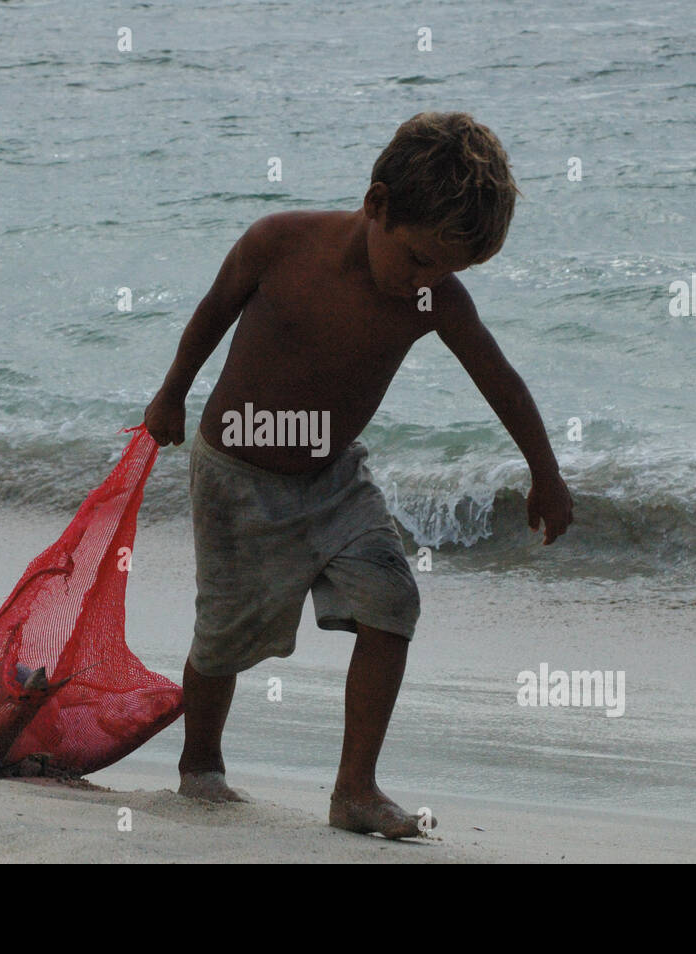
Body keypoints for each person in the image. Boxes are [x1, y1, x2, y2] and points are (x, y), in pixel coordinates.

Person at [143, 111, 573, 838]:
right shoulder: (278, 244)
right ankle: (201, 764)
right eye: (415, 259)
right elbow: (212, 313)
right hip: (236, 474)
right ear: (377, 206)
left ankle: (355, 789)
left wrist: (546, 473)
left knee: (392, 599)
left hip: (334, 479)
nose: (424, 283)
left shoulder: (434, 298)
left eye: (445, 271)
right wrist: (170, 394)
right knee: (224, 634)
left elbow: (497, 378)